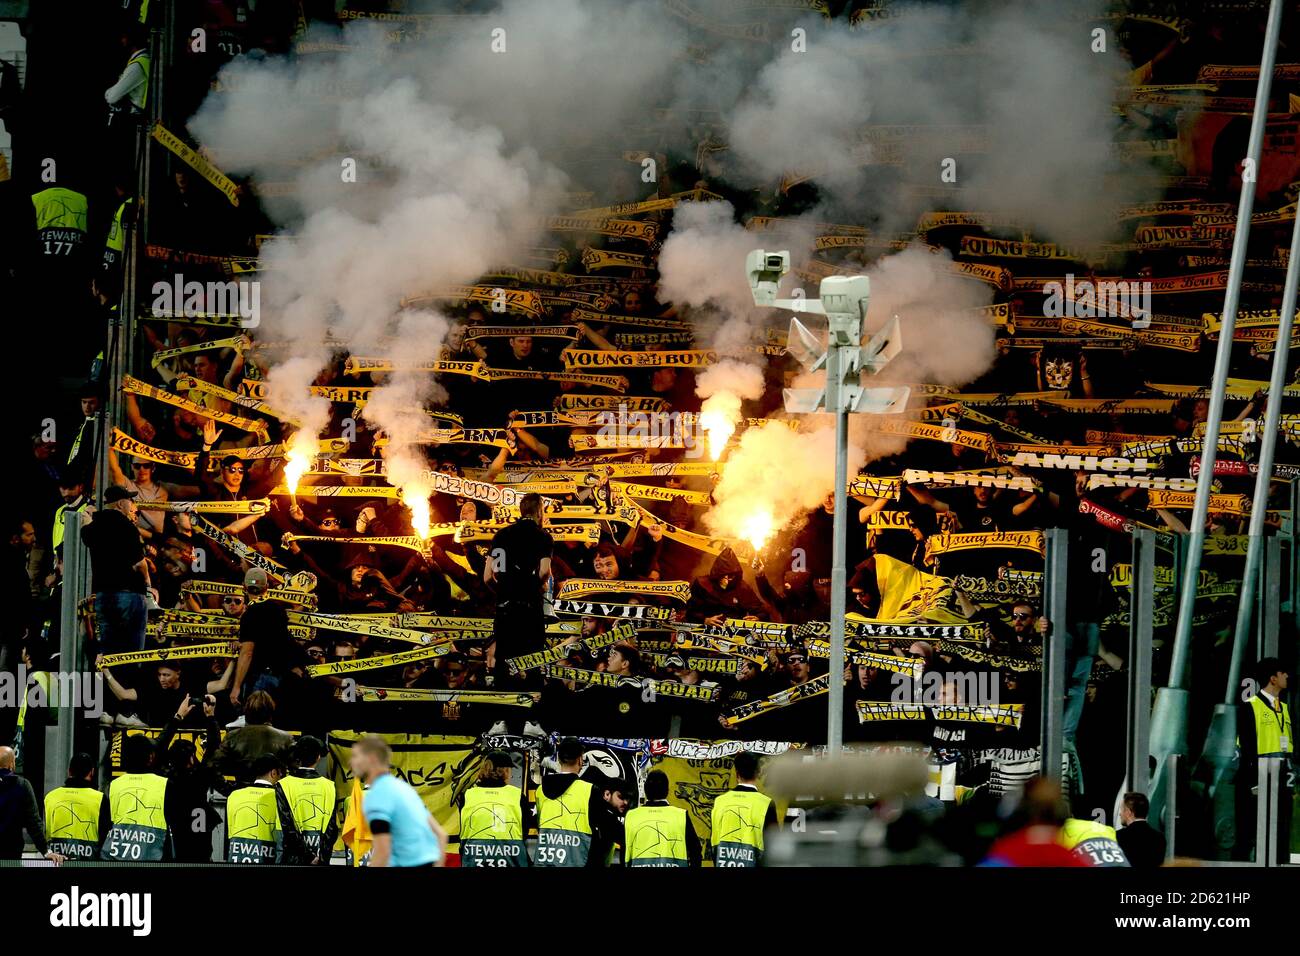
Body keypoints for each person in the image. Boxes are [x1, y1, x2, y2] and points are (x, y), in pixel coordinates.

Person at [350, 734, 446, 867]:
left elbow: (383, 852)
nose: (351, 762)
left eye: (355, 756)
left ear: (371, 759)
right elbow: (441, 835)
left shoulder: (377, 795)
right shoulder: (405, 788)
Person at [81, 485, 155, 656]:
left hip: (104, 596)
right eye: (130, 500)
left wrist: (87, 517)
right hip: (129, 594)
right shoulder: (127, 526)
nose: (131, 504)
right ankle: (129, 680)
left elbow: (85, 531)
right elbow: (139, 564)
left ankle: (111, 680)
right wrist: (148, 583)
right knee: (132, 651)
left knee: (109, 649)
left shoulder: (94, 526)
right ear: (121, 504)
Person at [1235, 656, 1293, 862]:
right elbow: (1247, 747)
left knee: (1280, 829)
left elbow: (1287, 745)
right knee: (1256, 830)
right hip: (1260, 778)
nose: (1287, 675)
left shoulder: (1284, 708)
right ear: (1273, 679)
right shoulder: (1251, 706)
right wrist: (1253, 782)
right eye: (1282, 672)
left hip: (1281, 778)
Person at [536, 736, 615, 867]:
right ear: (580, 760)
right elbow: (608, 830)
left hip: (546, 861)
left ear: (559, 760)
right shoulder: (590, 791)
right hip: (580, 861)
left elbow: (539, 824)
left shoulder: (540, 790)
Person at [226, 752, 307, 865]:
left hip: (236, 858)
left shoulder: (234, 796)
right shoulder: (281, 798)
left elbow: (231, 832)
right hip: (268, 860)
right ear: (273, 773)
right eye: (280, 774)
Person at [101, 736, 173, 861]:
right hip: (153, 860)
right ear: (151, 757)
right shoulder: (165, 785)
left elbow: (104, 826)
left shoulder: (113, 785)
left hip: (115, 858)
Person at [458, 749, 528, 867]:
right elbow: (523, 831)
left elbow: (465, 827)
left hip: (473, 859)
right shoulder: (517, 795)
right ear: (506, 771)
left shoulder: (467, 795)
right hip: (510, 859)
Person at [276, 735, 339, 865]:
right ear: (318, 757)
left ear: (297, 757)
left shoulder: (283, 784)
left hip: (293, 858)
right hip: (321, 856)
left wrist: (308, 857)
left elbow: (287, 828)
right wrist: (321, 858)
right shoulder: (329, 786)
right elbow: (332, 829)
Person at [710, 751, 777, 867]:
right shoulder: (766, 804)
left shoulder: (720, 802)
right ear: (758, 772)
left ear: (736, 773)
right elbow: (774, 846)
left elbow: (713, 841)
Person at [213, 690, 293, 783]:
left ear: (246, 711)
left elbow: (213, 766)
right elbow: (297, 770)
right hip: (273, 793)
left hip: (242, 793)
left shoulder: (233, 736)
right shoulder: (286, 738)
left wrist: (229, 790)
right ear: (271, 711)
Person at [0, 745, 63, 863]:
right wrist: (46, 851)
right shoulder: (22, 785)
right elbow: (33, 822)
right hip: (10, 855)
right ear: (11, 764)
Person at [624, 769, 699, 867]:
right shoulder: (680, 816)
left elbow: (624, 851)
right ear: (667, 790)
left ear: (645, 790)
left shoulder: (632, 816)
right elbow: (696, 851)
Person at [43, 751, 107, 861]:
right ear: (92, 772)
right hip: (89, 863)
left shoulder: (50, 796)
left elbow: (43, 829)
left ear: (69, 771)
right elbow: (105, 835)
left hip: (56, 862)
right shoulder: (100, 799)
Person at [1116, 792, 1166, 868]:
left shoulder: (1118, 837)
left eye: (1122, 810)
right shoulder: (1160, 838)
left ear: (1129, 812)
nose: (1120, 814)